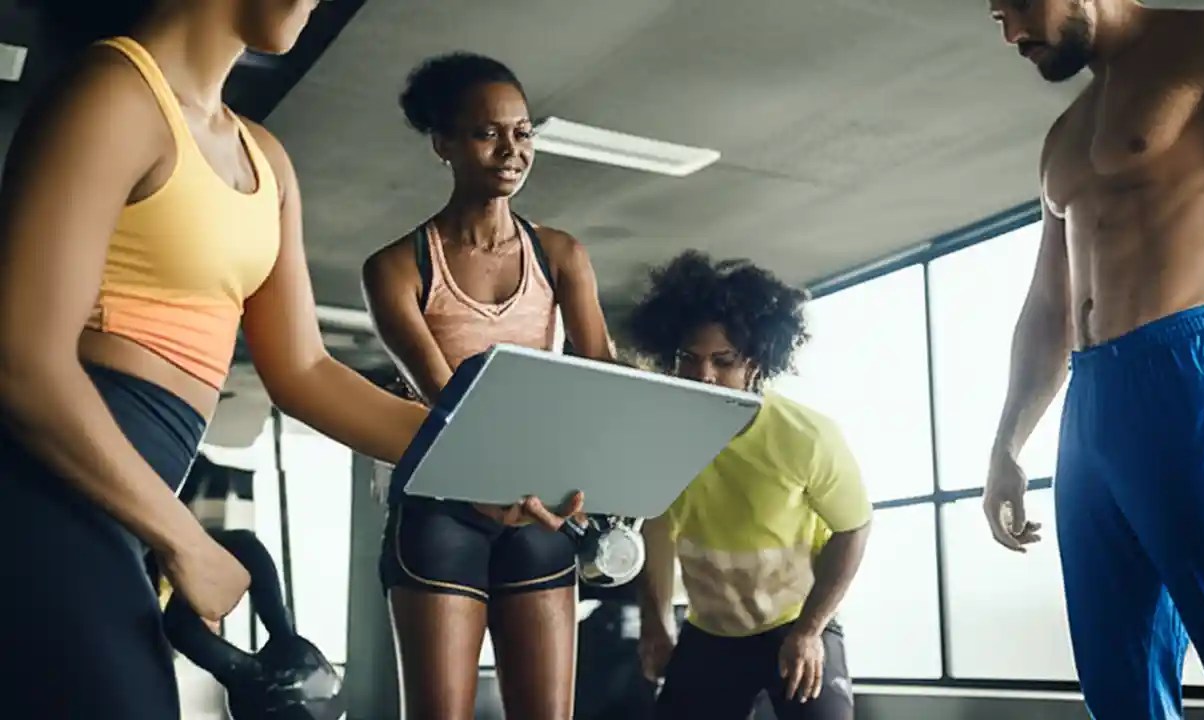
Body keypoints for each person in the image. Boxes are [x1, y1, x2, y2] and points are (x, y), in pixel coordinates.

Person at [0, 4, 570, 718]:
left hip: (119, 503)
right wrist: (184, 539)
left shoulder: (262, 157)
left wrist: (484, 466)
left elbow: (305, 373)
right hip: (43, 495)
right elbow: (23, 360)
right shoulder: (114, 93)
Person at [983, 1, 1204, 716]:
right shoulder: (1064, 135)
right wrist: (1006, 445)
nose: (1012, 31)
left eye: (1020, 4)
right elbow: (1050, 305)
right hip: (1090, 406)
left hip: (1190, 371)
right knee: (1119, 685)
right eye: (996, 16)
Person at [360, 52, 616, 720]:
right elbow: (447, 400)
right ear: (443, 144)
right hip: (444, 506)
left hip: (538, 510)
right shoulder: (396, 267)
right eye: (487, 133)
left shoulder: (561, 255)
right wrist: (498, 482)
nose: (511, 150)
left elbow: (602, 378)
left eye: (523, 132)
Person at [629, 251, 872, 720]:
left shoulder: (807, 437)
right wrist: (655, 622)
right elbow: (657, 530)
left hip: (794, 622)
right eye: (688, 359)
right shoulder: (661, 441)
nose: (703, 375)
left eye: (723, 361)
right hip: (710, 633)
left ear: (754, 365)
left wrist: (810, 631)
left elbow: (853, 528)